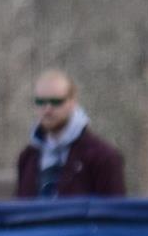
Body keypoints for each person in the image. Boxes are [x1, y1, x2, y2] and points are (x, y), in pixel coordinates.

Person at [15, 69, 125, 199]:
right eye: (41, 102)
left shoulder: (103, 157)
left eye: (56, 101)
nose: (47, 109)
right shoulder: (28, 157)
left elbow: (114, 214)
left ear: (72, 102)